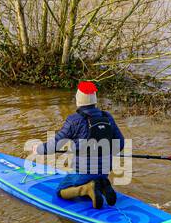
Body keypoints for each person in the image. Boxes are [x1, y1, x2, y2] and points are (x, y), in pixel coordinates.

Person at [26, 80, 125, 209]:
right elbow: (121, 143)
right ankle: (102, 184)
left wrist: (37, 149)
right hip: (105, 170)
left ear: (79, 99)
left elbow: (55, 145)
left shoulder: (74, 120)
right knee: (95, 175)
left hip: (83, 172)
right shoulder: (107, 117)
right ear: (94, 99)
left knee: (60, 192)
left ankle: (86, 189)